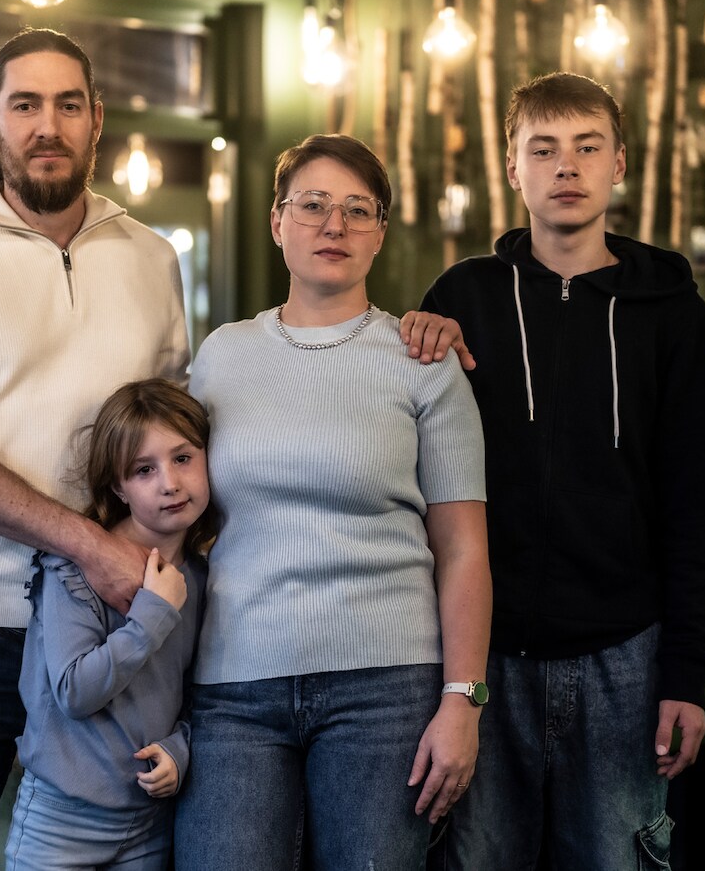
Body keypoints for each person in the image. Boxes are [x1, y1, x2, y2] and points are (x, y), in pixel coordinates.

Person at [0, 28, 190, 871]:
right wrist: (92, 546)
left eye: (66, 105)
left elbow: (170, 439)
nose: (45, 125)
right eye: (24, 105)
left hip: (110, 630)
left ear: (98, 121)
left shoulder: (154, 259)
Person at [415, 71, 705, 869]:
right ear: (512, 170)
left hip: (627, 659)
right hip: (487, 657)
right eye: (543, 149)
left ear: (618, 163)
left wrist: (687, 676)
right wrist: (411, 331)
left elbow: (695, 501)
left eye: (587, 148)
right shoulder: (464, 296)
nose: (566, 167)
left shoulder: (675, 314)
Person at [173, 133, 492, 871]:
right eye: (312, 205)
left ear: (380, 233)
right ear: (278, 221)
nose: (333, 225)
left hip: (386, 692)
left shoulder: (424, 362)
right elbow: (180, 511)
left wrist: (462, 701)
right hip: (234, 687)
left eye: (358, 210)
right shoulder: (220, 357)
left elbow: (464, 549)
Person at [7, 378, 213, 871]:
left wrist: (178, 749)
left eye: (183, 458)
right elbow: (75, 690)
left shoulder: (204, 577)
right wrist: (152, 615)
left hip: (147, 826)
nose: (170, 482)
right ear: (118, 486)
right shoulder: (75, 570)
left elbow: (201, 694)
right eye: (144, 470)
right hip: (59, 825)